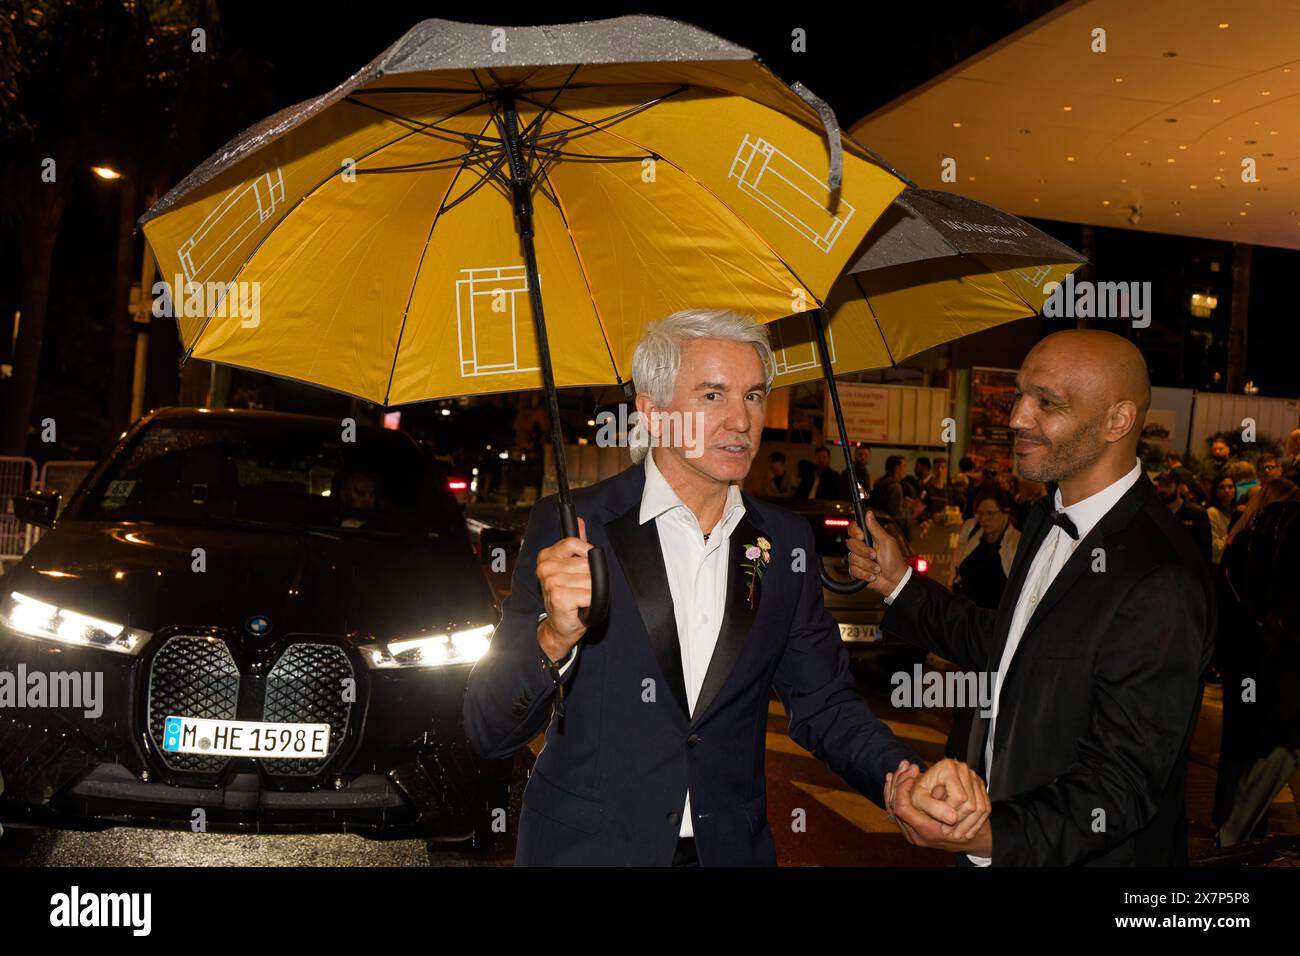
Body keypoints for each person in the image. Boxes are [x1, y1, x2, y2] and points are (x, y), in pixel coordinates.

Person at [463, 310, 975, 866]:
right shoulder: (571, 527)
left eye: (754, 396)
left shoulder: (782, 541)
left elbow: (823, 703)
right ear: (653, 412)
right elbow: (488, 727)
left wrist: (898, 779)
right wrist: (552, 639)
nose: (741, 420)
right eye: (712, 396)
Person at [848, 329, 1215, 865]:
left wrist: (984, 836)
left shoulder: (1162, 577)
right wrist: (898, 582)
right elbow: (1008, 644)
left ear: (1118, 420)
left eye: (1047, 403)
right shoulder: (1047, 516)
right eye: (1022, 395)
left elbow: (1119, 787)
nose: (1017, 417)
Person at [1212, 478, 1300, 844]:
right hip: (1263, 660)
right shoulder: (1262, 541)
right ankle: (1235, 828)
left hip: (1245, 658)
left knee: (1246, 741)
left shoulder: (1241, 538)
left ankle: (1230, 824)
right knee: (1265, 745)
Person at [946, 485, 1022, 761]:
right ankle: (959, 758)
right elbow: (955, 571)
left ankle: (973, 761)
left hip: (995, 635)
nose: (985, 520)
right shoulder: (970, 532)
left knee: (985, 705)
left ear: (1006, 513)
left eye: (991, 514)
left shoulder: (1017, 543)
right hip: (965, 629)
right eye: (980, 514)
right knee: (964, 703)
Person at [1156, 470, 1213, 566]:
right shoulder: (1157, 513)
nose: (1163, 489)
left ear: (1179, 487)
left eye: (1168, 484)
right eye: (1160, 485)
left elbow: (1205, 551)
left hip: (1189, 572)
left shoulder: (1196, 513)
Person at [1207, 475, 1237, 564]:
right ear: (1215, 491)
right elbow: (1214, 547)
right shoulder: (1212, 513)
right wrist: (1233, 535)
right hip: (1219, 564)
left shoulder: (1237, 510)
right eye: (1221, 487)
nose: (1227, 491)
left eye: (1230, 486)